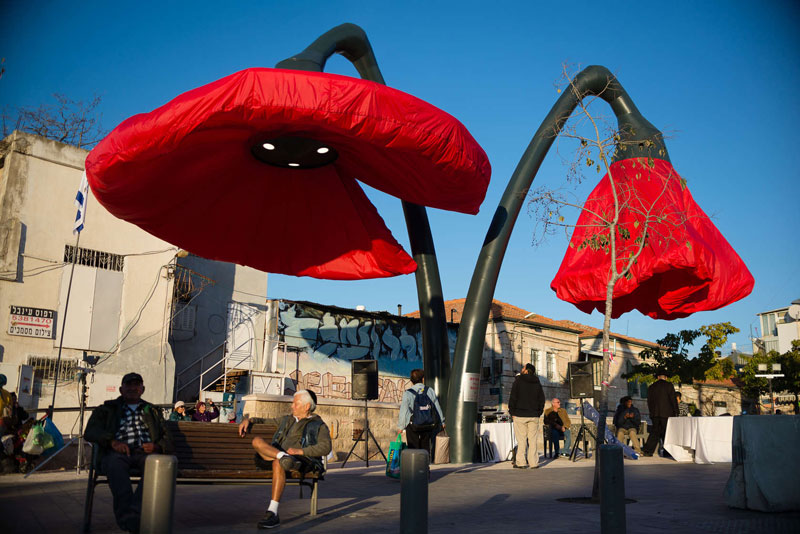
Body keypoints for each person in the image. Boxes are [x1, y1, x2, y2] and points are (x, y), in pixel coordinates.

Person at [85, 372, 173, 533]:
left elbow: (167, 437)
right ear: (121, 389)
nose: (133, 388)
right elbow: (91, 431)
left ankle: (132, 515)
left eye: (136, 385)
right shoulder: (107, 409)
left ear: (142, 389)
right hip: (118, 452)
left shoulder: (152, 411)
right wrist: (112, 442)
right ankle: (130, 516)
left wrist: (157, 447)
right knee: (115, 466)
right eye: (129, 385)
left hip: (146, 453)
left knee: (157, 468)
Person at [239, 390, 331, 530]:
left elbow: (326, 447)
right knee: (257, 441)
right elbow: (263, 421)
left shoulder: (318, 425)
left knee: (278, 463)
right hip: (276, 456)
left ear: (306, 406)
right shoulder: (287, 420)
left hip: (299, 460)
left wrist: (301, 451)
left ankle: (273, 512)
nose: (292, 406)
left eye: (295, 403)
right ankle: (283, 456)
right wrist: (248, 420)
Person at [397, 369, 445, 456]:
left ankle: (414, 467)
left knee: (412, 447)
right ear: (423, 379)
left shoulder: (408, 393)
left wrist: (401, 426)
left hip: (412, 425)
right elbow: (437, 406)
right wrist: (442, 421)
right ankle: (425, 467)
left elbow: (403, 411)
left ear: (411, 380)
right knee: (425, 446)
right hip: (427, 423)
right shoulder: (429, 390)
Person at [509, 363, 545, 469]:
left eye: (523, 367)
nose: (521, 369)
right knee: (533, 440)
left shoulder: (518, 381)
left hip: (520, 414)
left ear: (526, 370)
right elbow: (541, 399)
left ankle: (521, 462)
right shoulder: (537, 382)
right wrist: (538, 412)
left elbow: (513, 397)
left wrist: (512, 412)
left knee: (522, 440)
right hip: (534, 415)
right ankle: (533, 463)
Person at [642, 370, 678, 457]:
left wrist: (651, 413)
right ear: (666, 377)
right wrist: (676, 412)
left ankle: (648, 451)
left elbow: (649, 402)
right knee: (667, 433)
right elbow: (673, 400)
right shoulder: (669, 385)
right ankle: (667, 452)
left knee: (655, 432)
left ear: (658, 377)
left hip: (655, 414)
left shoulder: (651, 387)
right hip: (667, 413)